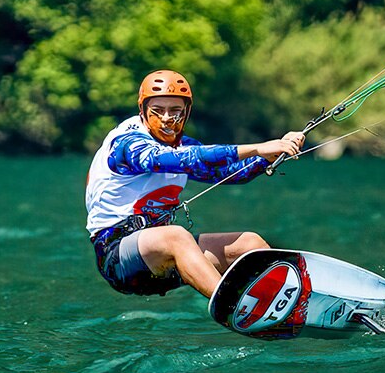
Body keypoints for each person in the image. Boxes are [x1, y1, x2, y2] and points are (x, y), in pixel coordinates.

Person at [85, 70, 305, 298]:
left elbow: (231, 173)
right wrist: (257, 147)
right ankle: (228, 305)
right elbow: (179, 159)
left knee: (251, 245)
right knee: (177, 236)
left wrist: (269, 156)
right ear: (142, 110)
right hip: (119, 258)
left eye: (175, 111)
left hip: (164, 258)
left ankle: (284, 303)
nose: (167, 118)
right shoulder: (126, 144)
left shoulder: (181, 144)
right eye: (157, 110)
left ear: (187, 112)